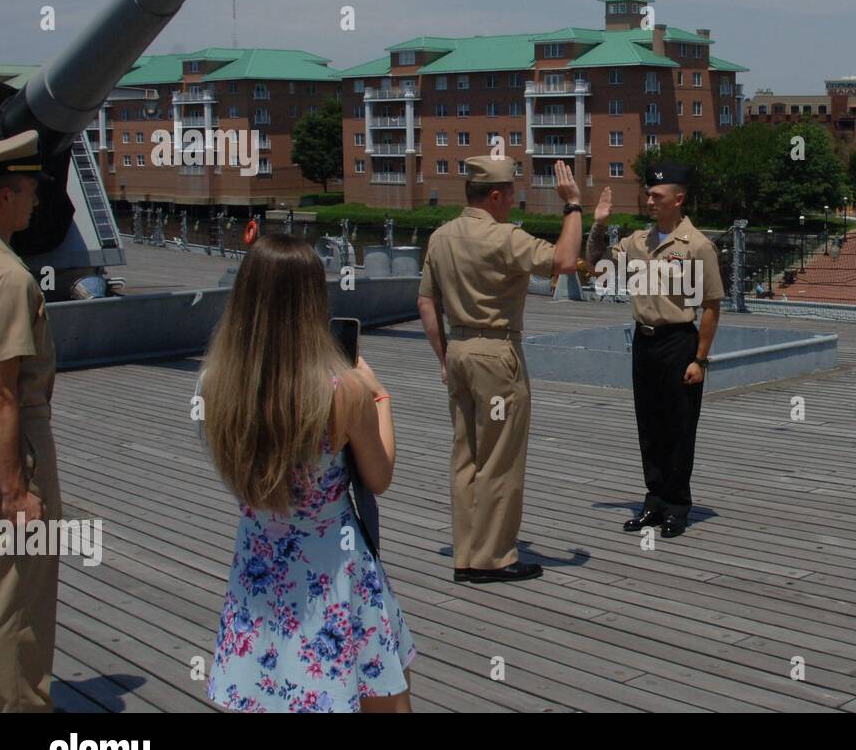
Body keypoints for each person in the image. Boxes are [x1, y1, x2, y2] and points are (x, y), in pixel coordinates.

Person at [201, 234, 415, 712]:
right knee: (381, 699)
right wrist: (380, 397)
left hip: (256, 567)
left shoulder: (216, 382)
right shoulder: (342, 391)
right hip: (333, 574)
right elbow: (379, 476)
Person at [417, 157, 583, 583]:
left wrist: (443, 358)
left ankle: (466, 554)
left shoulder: (440, 237)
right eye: (511, 193)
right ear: (494, 195)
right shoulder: (504, 238)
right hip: (496, 356)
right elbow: (565, 260)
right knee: (500, 457)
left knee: (466, 457)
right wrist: (573, 207)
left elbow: (426, 303)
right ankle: (494, 559)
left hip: (458, 352)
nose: (514, 200)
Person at [586, 162, 724, 539]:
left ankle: (678, 505)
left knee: (679, 428)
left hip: (679, 342)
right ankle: (655, 501)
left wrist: (700, 358)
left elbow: (711, 306)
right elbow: (596, 267)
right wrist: (598, 223)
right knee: (649, 426)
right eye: (648, 194)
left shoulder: (696, 246)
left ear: (677, 199)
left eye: (656, 195)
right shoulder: (637, 243)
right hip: (644, 342)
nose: (649, 200)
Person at [0, 130, 60, 712]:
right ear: (3, 196)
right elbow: (5, 394)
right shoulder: (11, 278)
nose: (36, 202)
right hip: (19, 450)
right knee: (21, 593)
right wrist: (16, 490)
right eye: (28, 192)